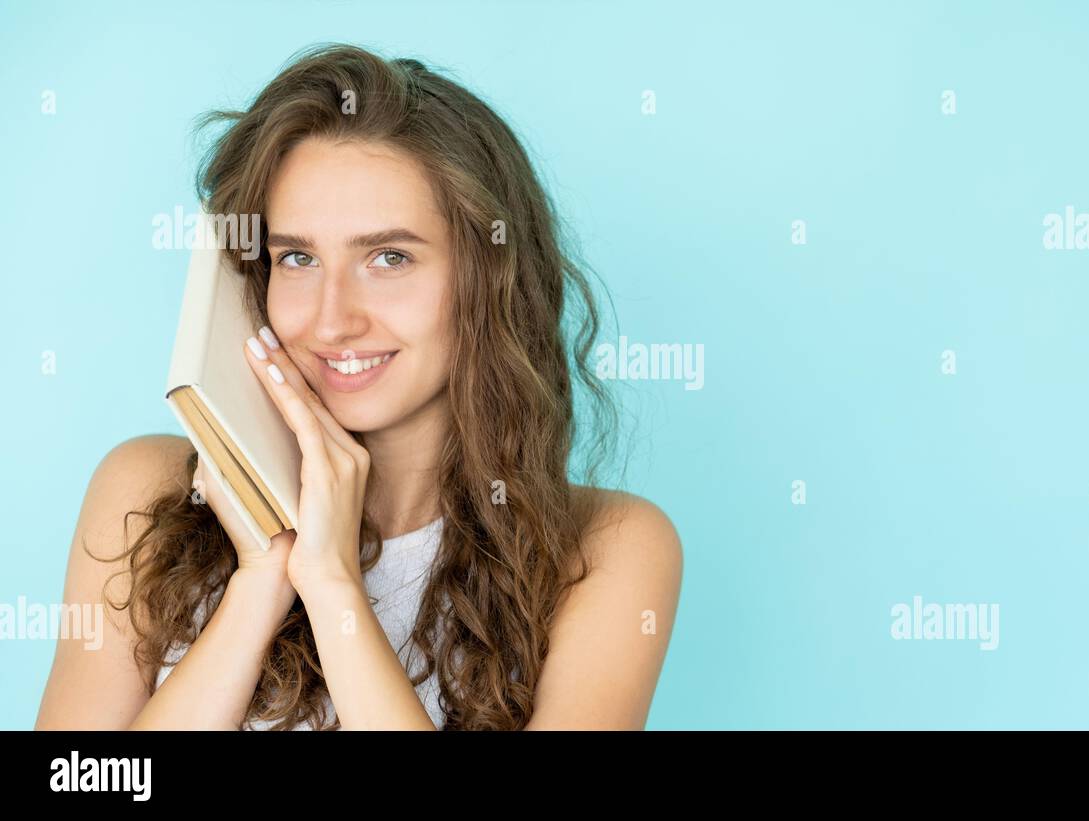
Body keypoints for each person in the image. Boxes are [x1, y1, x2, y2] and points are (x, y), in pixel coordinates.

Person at [35, 43, 682, 730]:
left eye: (389, 257)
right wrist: (261, 581)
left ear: (489, 281)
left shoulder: (608, 549)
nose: (332, 319)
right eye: (298, 257)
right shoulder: (145, 488)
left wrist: (334, 583)